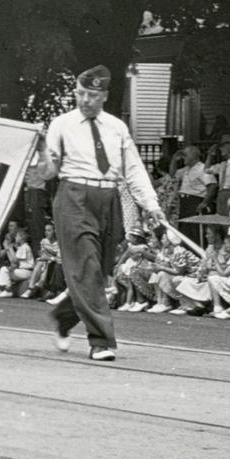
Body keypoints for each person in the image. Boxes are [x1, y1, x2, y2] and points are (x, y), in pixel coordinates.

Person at [40, 64, 162, 360]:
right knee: (87, 268)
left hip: (109, 198)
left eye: (92, 95)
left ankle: (63, 317)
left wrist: (152, 205)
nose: (85, 100)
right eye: (80, 93)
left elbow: (133, 169)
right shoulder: (61, 124)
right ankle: (101, 340)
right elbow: (48, 172)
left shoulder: (117, 128)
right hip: (73, 196)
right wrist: (43, 157)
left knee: (98, 270)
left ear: (104, 95)